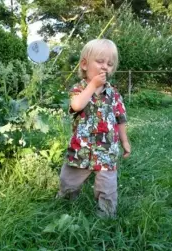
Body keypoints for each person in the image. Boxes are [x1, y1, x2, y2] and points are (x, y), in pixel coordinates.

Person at [57, 39, 131, 218]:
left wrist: (125, 141)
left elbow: (121, 118)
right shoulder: (79, 89)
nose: (105, 67)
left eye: (110, 64)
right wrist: (92, 86)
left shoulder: (114, 94)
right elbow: (76, 106)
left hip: (107, 151)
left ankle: (105, 216)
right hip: (81, 149)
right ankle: (64, 206)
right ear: (84, 64)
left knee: (108, 187)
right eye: (100, 61)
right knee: (69, 180)